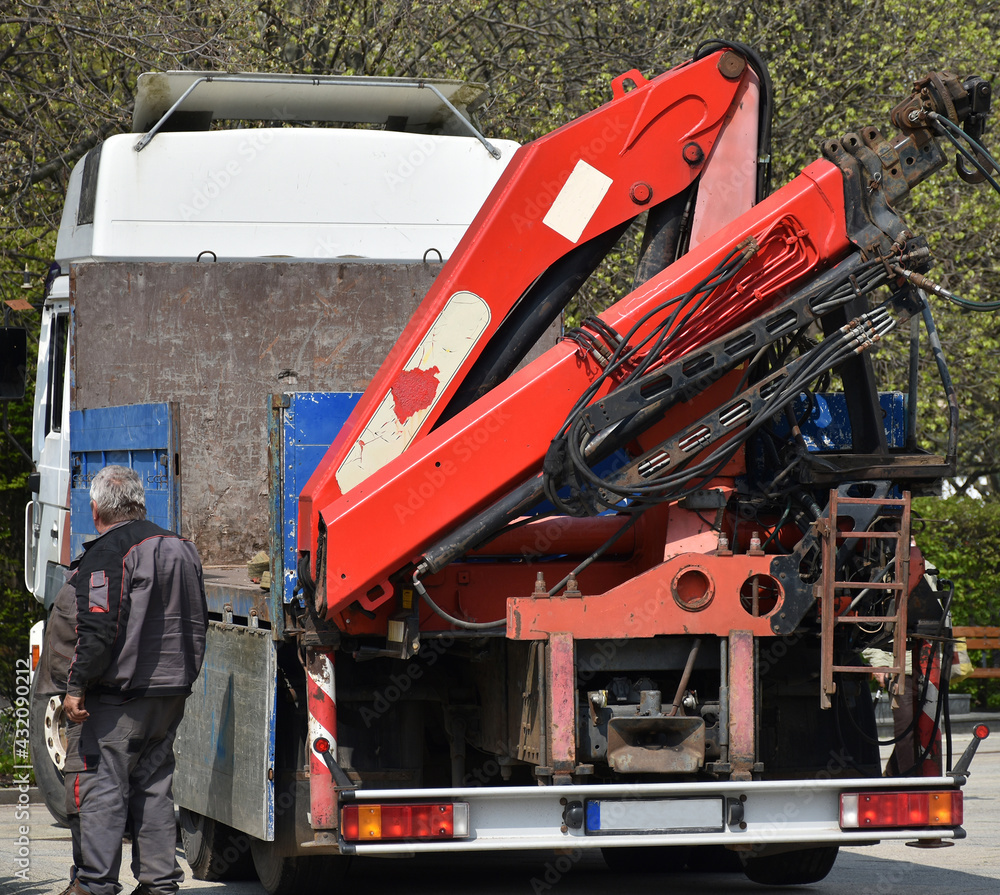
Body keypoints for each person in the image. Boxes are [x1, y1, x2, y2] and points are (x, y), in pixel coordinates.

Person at [59, 465, 208, 895]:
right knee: (155, 787)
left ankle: (94, 885)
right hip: (170, 693)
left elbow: (97, 629)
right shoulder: (182, 546)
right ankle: (159, 884)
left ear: (95, 509)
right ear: (140, 502)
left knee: (103, 788)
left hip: (119, 699)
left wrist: (75, 686)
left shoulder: (108, 552)